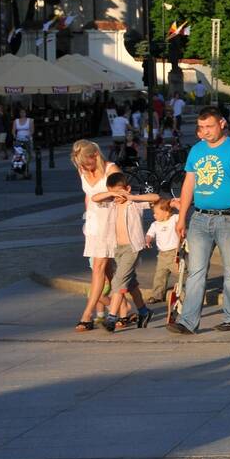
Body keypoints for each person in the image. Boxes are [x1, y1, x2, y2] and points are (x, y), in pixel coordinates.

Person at [169, 107, 230, 334]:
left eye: (209, 126)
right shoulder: (197, 151)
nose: (205, 132)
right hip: (200, 217)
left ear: (222, 123)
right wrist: (181, 218)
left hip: (229, 217)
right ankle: (187, 321)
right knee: (196, 271)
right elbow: (188, 184)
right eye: (201, 127)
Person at [92, 172, 160, 331]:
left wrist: (131, 197)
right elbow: (95, 198)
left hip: (132, 248)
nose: (117, 196)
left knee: (118, 281)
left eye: (119, 192)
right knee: (130, 283)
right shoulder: (111, 202)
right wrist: (111, 194)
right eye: (114, 193)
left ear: (127, 189)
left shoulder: (134, 203)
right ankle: (143, 311)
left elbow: (155, 197)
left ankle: (112, 317)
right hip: (118, 248)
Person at [72, 141, 119, 332]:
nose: (83, 167)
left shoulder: (111, 169)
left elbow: (122, 194)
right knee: (107, 269)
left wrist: (105, 195)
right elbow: (87, 195)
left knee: (98, 267)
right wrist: (87, 217)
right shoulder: (83, 170)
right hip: (93, 223)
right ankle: (125, 309)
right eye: (80, 164)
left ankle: (87, 315)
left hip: (109, 222)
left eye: (86, 163)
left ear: (95, 156)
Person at [145, 197, 181, 309]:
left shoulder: (174, 219)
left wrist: (176, 205)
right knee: (159, 276)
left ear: (166, 213)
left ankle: (193, 287)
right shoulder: (155, 224)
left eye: (156, 213)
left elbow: (182, 215)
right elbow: (149, 234)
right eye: (154, 213)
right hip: (162, 255)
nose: (154, 215)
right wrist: (148, 240)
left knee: (181, 273)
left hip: (174, 253)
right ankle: (157, 295)